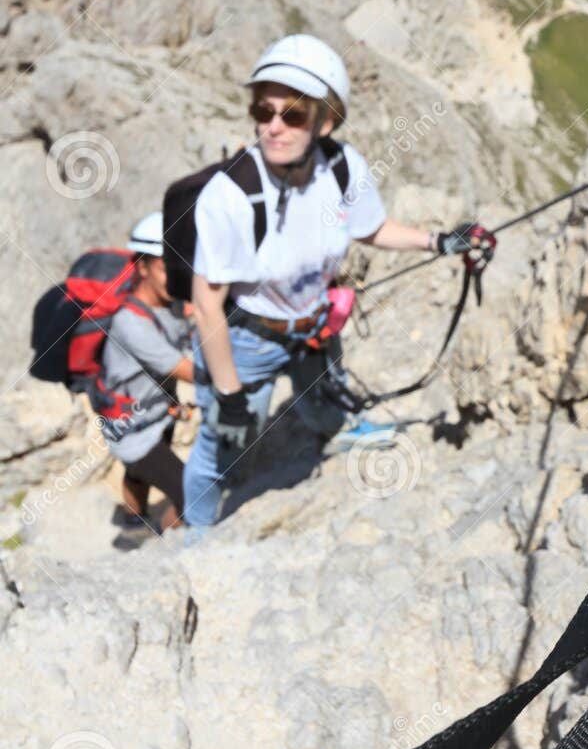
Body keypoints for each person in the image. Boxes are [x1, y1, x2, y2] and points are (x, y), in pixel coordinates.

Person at [183, 35, 486, 532]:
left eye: (294, 114)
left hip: (314, 325)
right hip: (246, 340)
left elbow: (370, 229)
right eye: (263, 109)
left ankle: (336, 432)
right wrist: (230, 393)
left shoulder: (343, 169)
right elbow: (206, 302)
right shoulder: (231, 193)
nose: (273, 125)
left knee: (325, 398)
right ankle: (194, 536)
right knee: (222, 445)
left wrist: (439, 241)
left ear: (325, 120)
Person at [99, 211, 195, 532]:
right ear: (142, 267)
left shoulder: (170, 306)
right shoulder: (130, 322)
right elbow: (186, 369)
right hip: (132, 429)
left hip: (157, 413)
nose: (173, 275)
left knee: (140, 473)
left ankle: (131, 521)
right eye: (163, 266)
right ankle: (164, 550)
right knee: (192, 492)